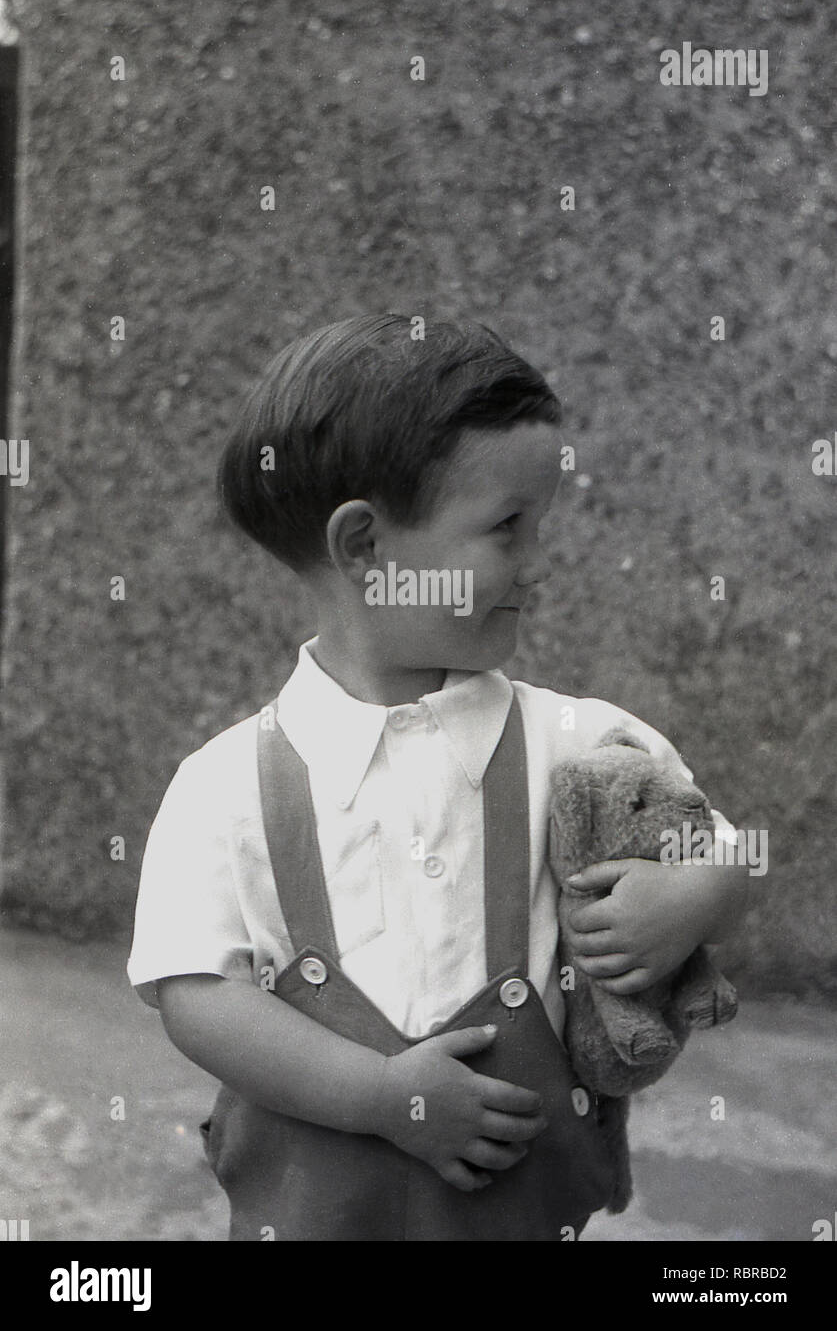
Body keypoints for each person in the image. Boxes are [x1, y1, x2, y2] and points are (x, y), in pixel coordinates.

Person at [127, 314, 747, 1241]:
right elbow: (196, 996)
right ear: (366, 549)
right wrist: (380, 1096)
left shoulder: (579, 740)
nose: (537, 565)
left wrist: (694, 896)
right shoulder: (222, 789)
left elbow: (732, 851)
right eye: (506, 528)